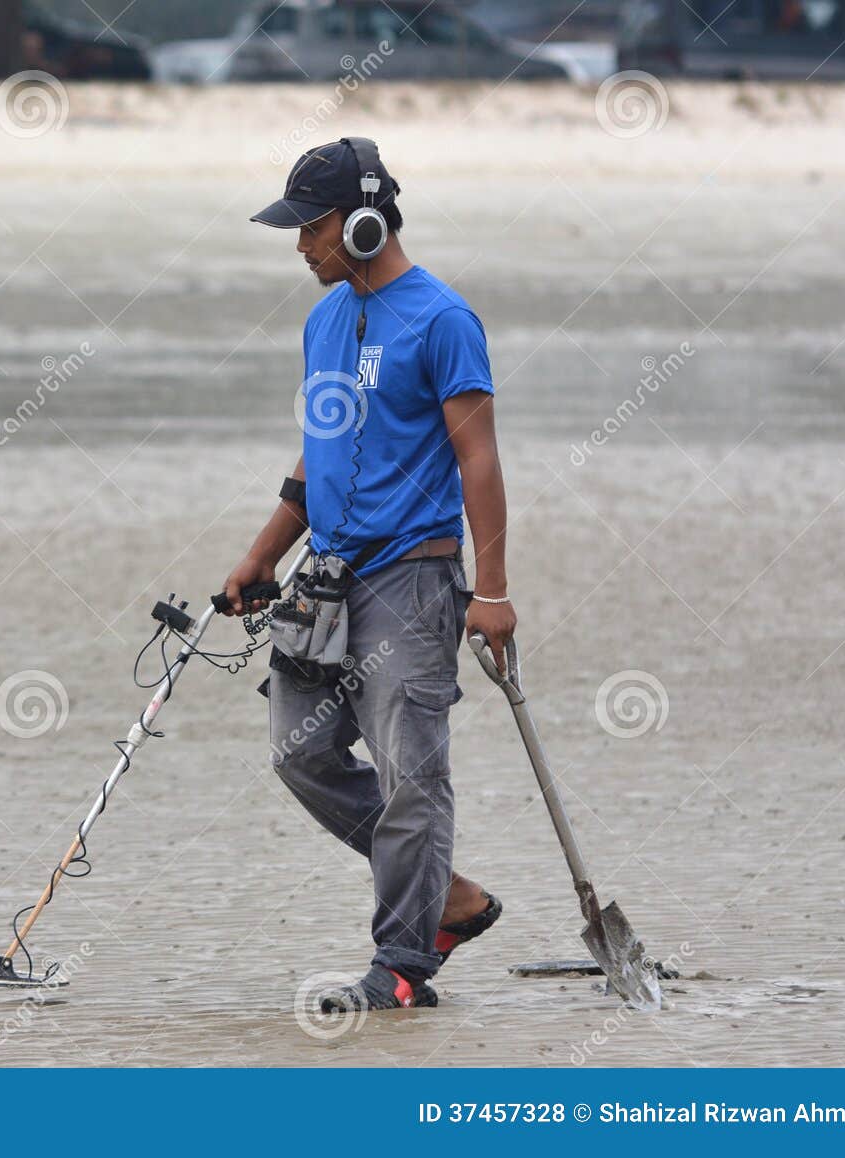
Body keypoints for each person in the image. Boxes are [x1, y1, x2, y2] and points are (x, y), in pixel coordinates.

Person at [221, 138, 515, 1012]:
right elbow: (320, 455)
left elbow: (480, 461)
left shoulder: (443, 320)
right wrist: (264, 552)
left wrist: (491, 592)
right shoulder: (323, 320)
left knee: (409, 778)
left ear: (357, 223)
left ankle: (401, 967)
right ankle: (450, 898)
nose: (299, 247)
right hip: (327, 578)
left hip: (414, 581)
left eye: (307, 228)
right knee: (300, 750)